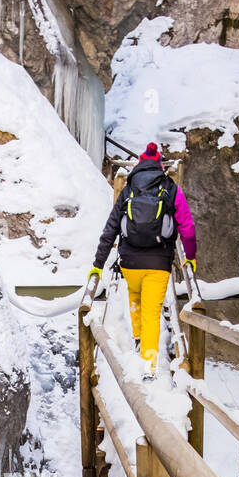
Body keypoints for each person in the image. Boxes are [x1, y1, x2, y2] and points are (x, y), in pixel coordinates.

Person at [89, 142, 197, 372]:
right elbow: (187, 226)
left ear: (139, 166)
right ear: (159, 166)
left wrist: (97, 265)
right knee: (152, 313)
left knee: (135, 298)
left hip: (130, 260)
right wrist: (190, 255)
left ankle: (138, 340)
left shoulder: (128, 190)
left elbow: (110, 229)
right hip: (159, 263)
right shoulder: (170, 187)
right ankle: (149, 366)